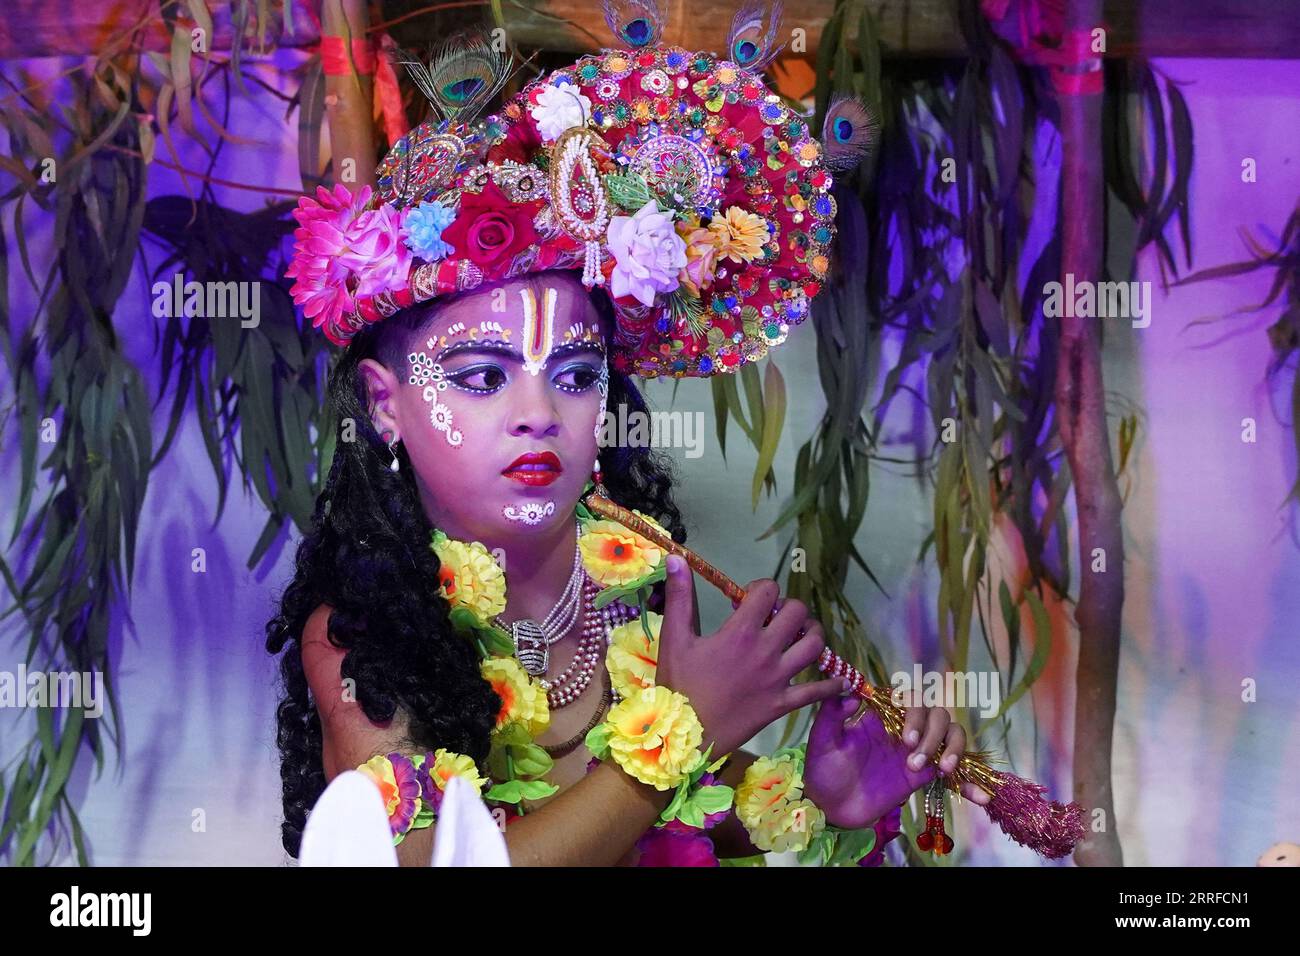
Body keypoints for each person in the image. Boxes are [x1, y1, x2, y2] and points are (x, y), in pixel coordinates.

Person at [266, 4, 989, 866]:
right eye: (483, 376)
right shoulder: (358, 636)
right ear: (387, 404)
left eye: (574, 375)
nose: (540, 413)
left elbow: (676, 823)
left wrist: (823, 801)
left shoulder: (628, 584)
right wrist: (686, 729)